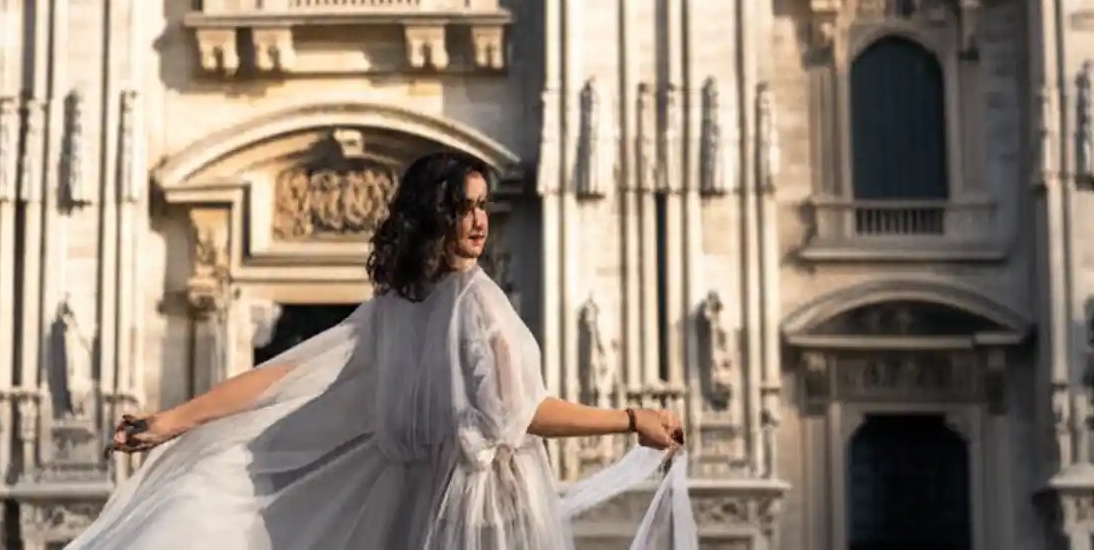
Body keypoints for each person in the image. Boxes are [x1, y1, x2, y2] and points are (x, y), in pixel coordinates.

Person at [67, 152, 694, 549]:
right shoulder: (469, 301)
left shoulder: (397, 308)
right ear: (433, 217)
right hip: (485, 516)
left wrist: (173, 421)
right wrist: (631, 420)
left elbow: (278, 376)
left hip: (415, 511)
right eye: (461, 208)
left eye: (482, 206)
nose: (478, 221)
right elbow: (521, 413)